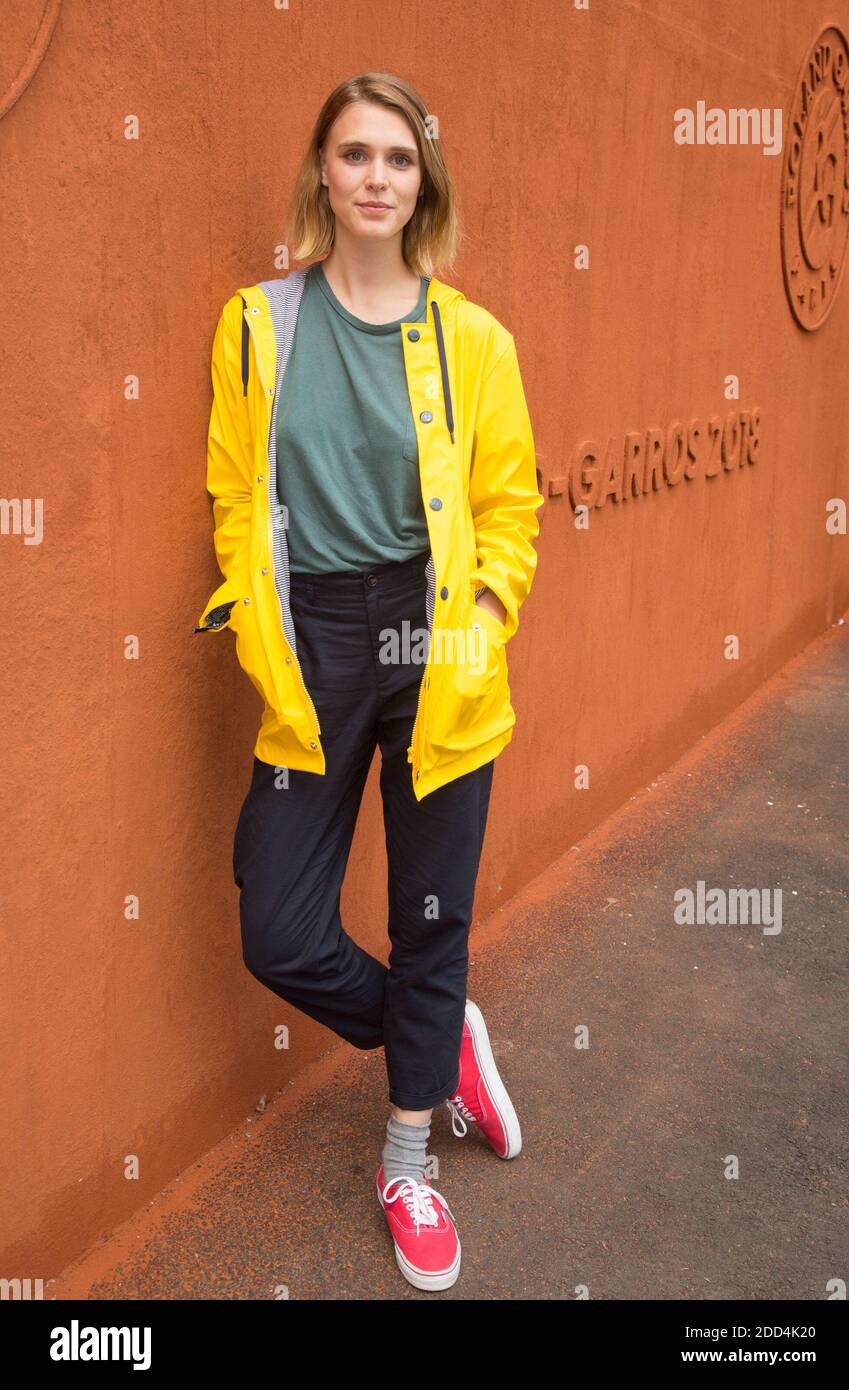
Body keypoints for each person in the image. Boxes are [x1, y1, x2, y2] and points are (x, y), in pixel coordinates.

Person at [194, 71, 543, 1292]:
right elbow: (236, 491)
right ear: (323, 175)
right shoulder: (256, 324)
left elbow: (510, 509)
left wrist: (488, 618)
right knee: (277, 926)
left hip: (439, 633)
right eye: (353, 155)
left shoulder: (474, 340)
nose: (376, 178)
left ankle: (409, 1159)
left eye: (397, 158)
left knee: (428, 918)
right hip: (314, 640)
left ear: (422, 182)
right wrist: (252, 617)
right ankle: (437, 1036)